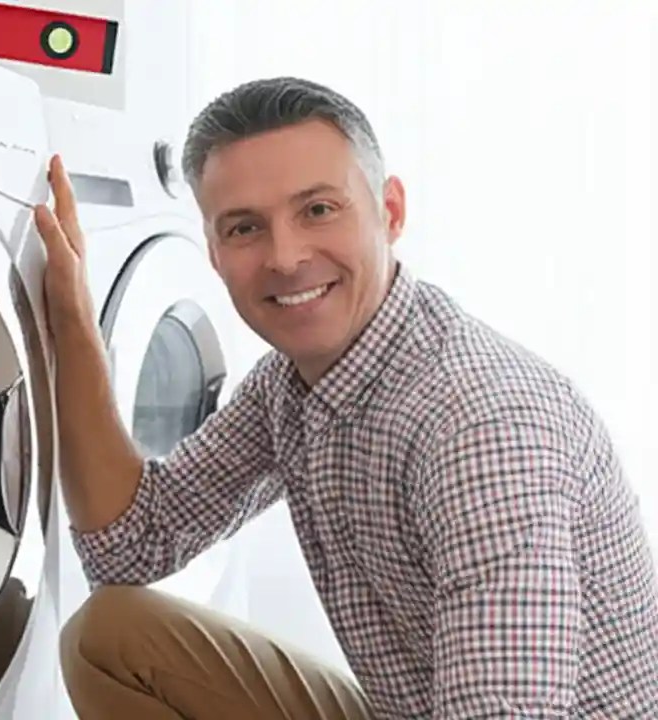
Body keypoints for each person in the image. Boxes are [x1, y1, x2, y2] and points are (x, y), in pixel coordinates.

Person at [34, 76, 658, 719]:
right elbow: (131, 544)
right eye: (246, 227)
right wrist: (74, 321)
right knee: (110, 638)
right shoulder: (293, 386)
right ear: (214, 253)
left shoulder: (478, 427)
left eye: (318, 210)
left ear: (390, 211)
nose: (285, 256)